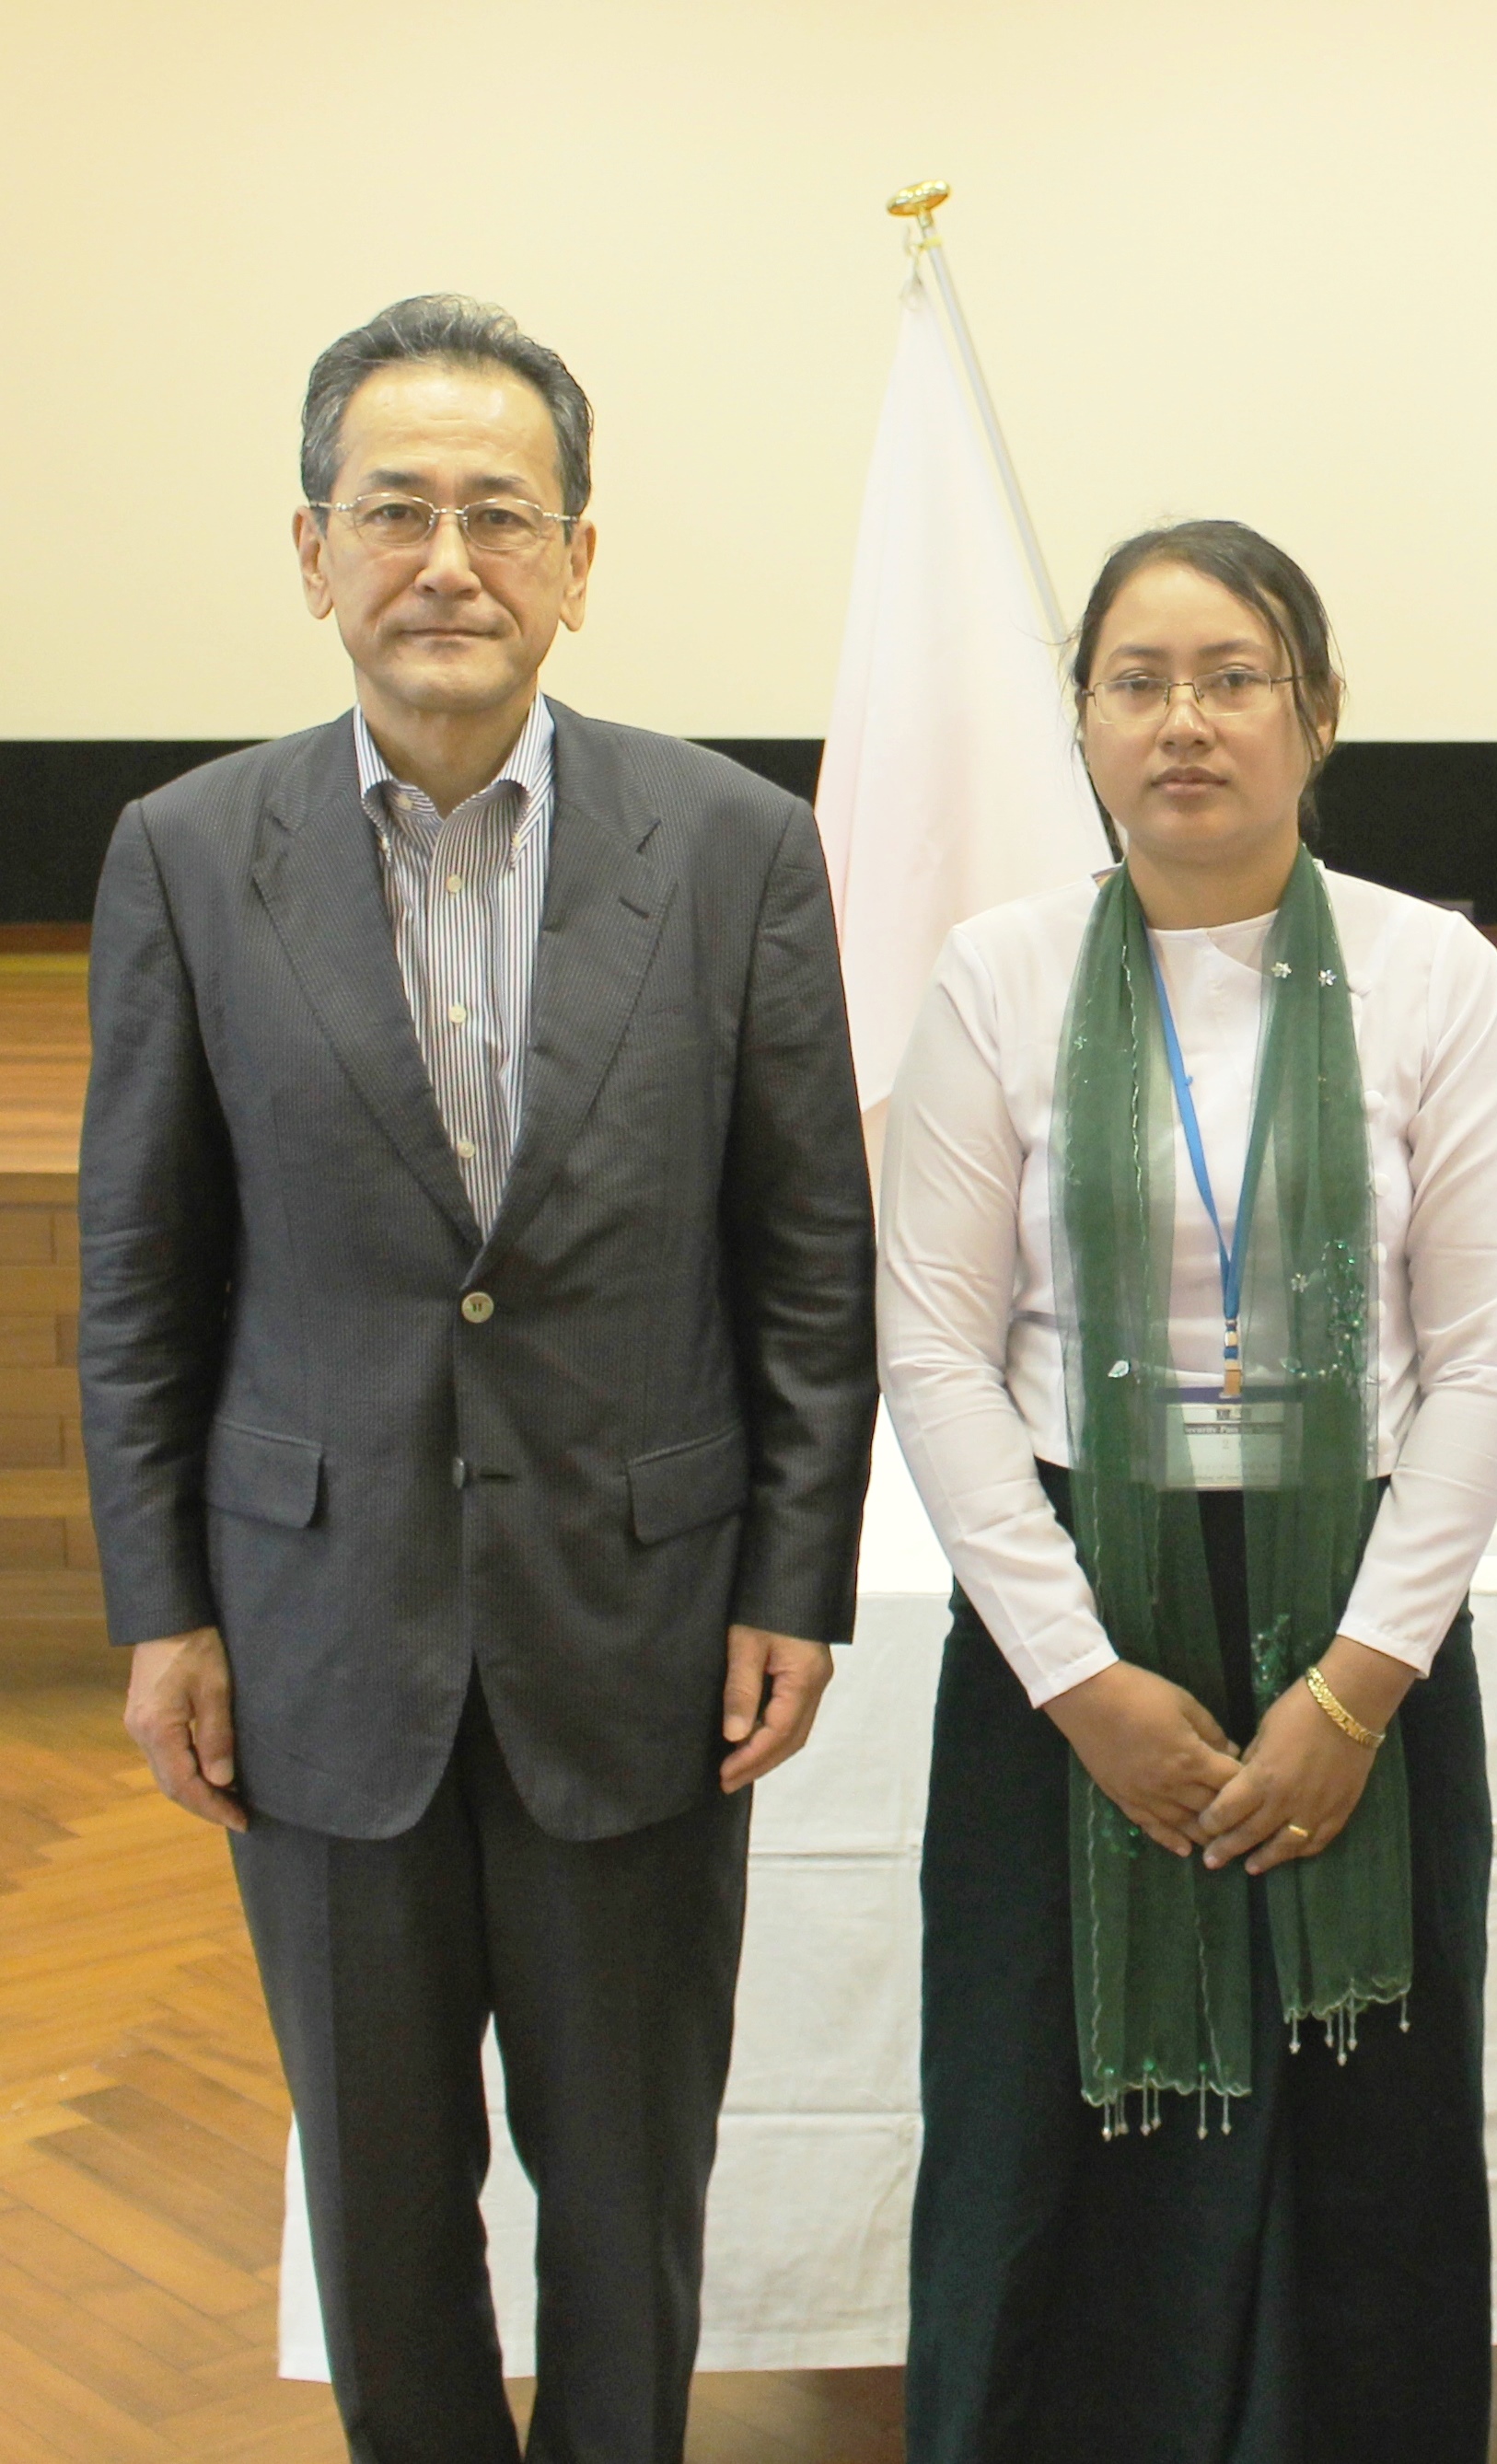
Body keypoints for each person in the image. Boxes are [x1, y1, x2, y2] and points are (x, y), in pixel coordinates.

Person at [79, 295, 877, 2461]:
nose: (451, 559)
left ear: (580, 560)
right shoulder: (182, 852)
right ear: (313, 550)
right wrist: (163, 1611)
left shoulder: (731, 849)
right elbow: (141, 1274)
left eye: (500, 515)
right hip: (318, 1645)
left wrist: (793, 1581)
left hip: (637, 1637)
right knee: (382, 2200)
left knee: (631, 2196)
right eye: (397, 509)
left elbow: (808, 1261)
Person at [877, 518, 1497, 2462]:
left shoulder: (1434, 974)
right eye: (1139, 680)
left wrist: (1354, 1693)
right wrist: (1080, 1678)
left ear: (1315, 714)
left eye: (1233, 676)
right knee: (1040, 2123)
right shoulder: (997, 976)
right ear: (1081, 721)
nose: (1186, 721)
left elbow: (1491, 1361)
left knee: (1368, 2139)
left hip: (1360, 1621)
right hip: (1075, 1620)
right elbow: (932, 1349)